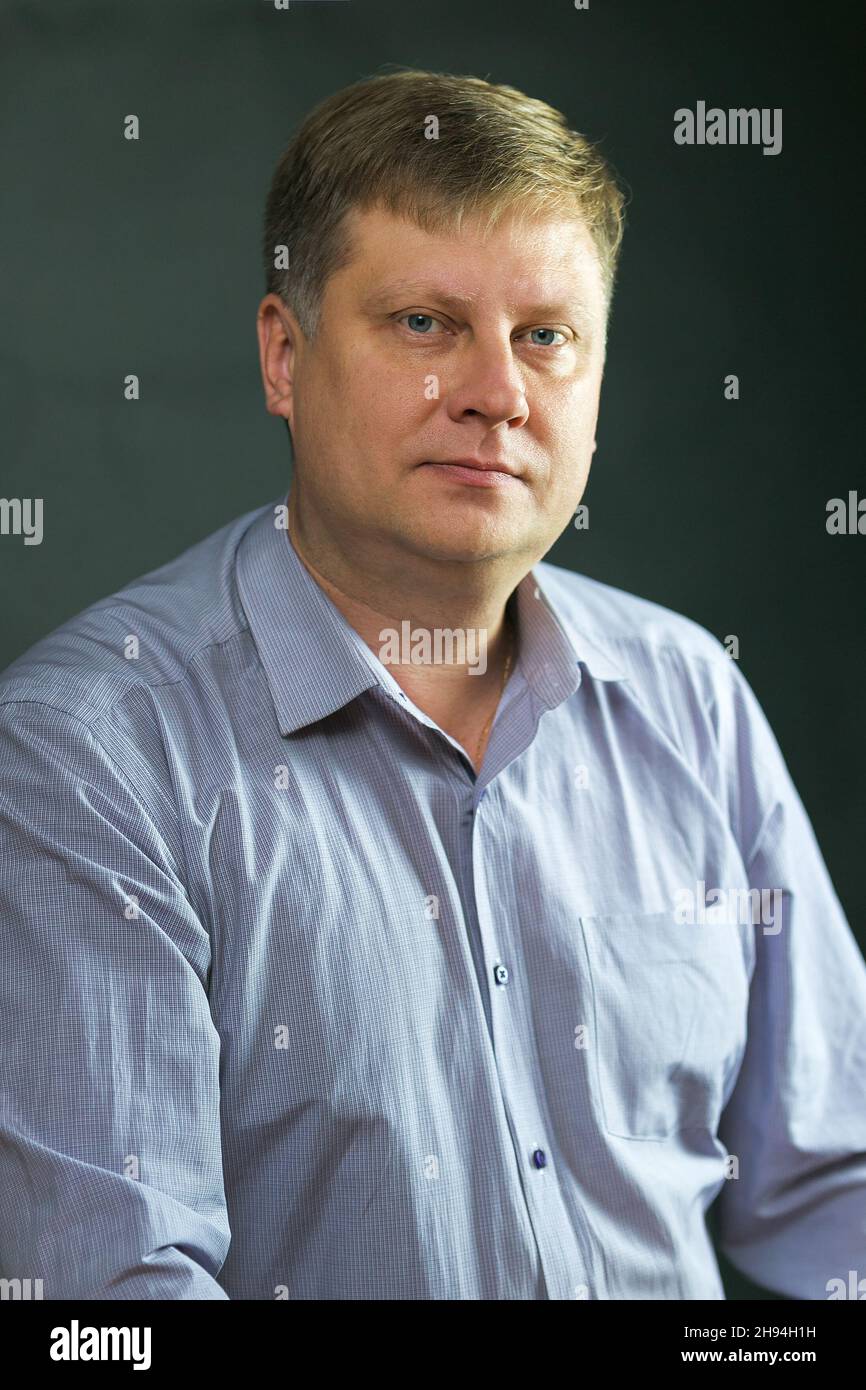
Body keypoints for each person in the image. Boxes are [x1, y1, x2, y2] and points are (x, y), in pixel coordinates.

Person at [1, 67, 864, 1301]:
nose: (495, 393)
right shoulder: (85, 755)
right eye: (424, 324)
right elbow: (110, 1307)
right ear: (284, 358)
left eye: (544, 337)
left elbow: (831, 1177)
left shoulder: (689, 697)